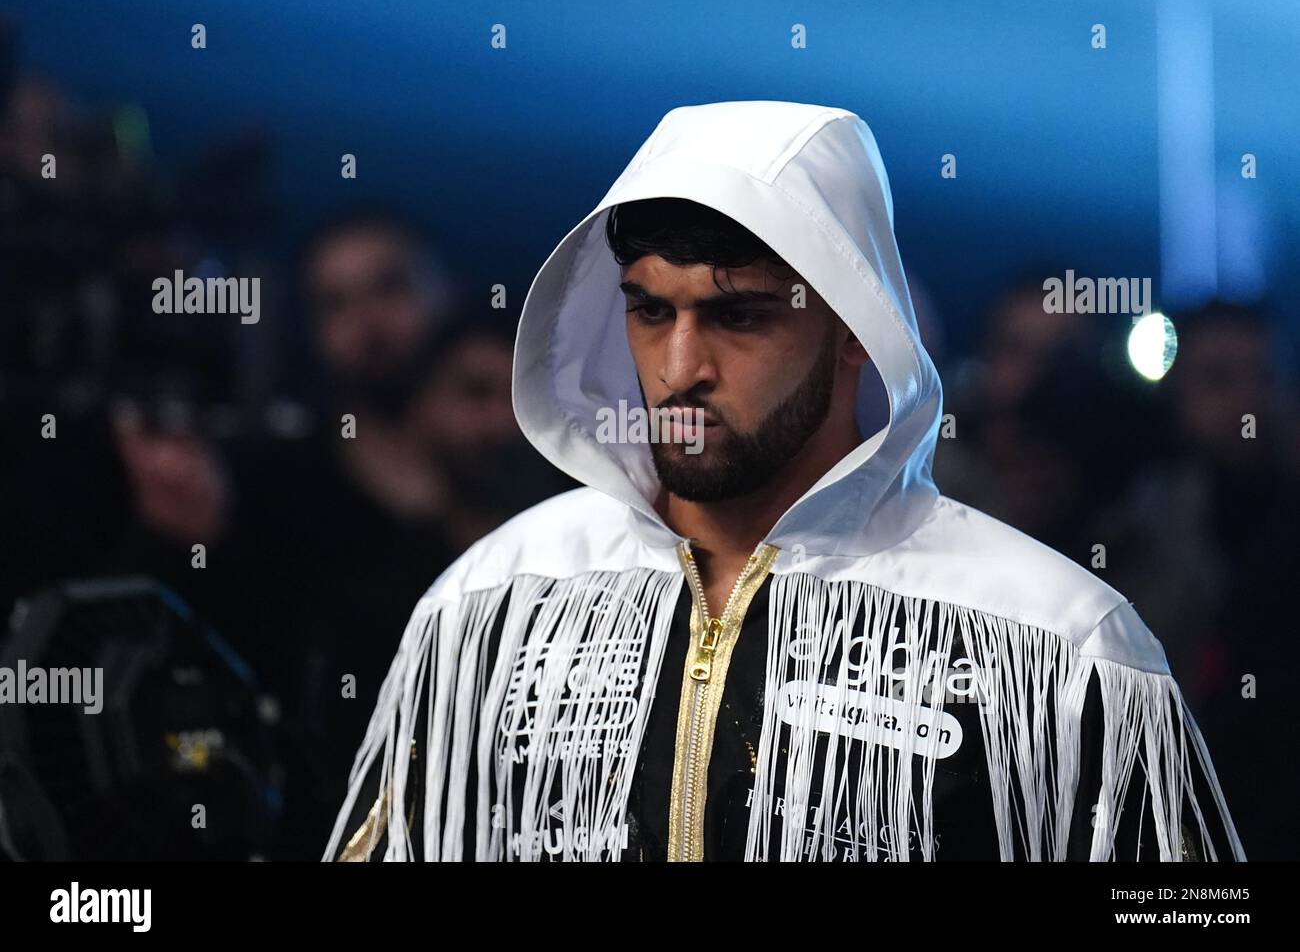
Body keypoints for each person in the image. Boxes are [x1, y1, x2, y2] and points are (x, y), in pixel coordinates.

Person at [324, 101, 1244, 862]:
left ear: (855, 328)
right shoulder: (493, 603)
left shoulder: (1057, 644)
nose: (680, 368)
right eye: (650, 311)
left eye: (739, 315)